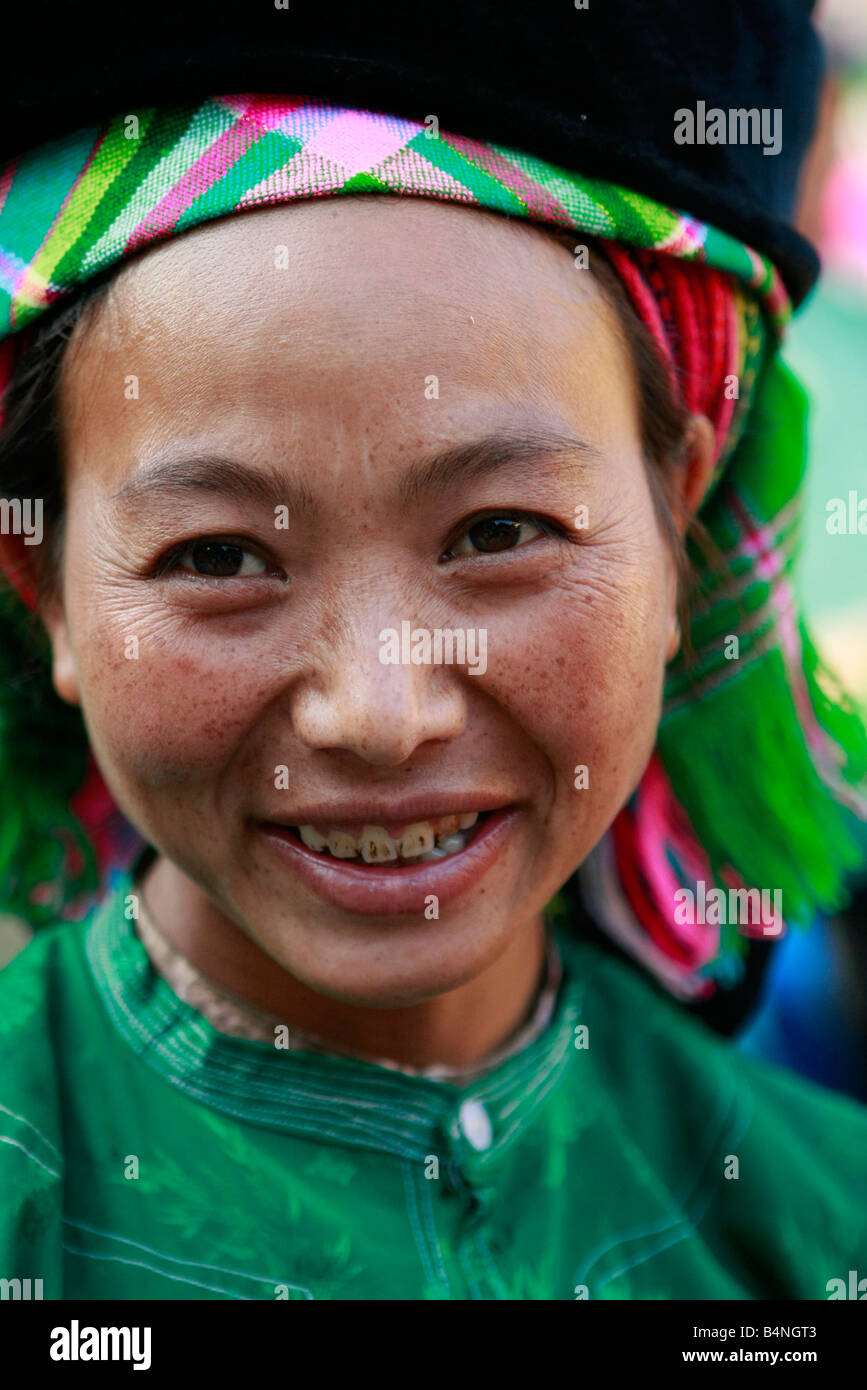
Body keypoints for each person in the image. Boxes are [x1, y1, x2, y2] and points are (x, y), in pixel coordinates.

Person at [0, 8, 865, 1301]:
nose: (379, 710)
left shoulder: (822, 1214)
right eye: (221, 557)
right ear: (46, 587)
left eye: (500, 531)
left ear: (679, 525)